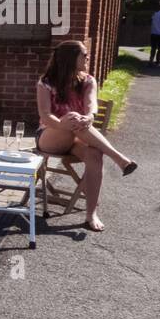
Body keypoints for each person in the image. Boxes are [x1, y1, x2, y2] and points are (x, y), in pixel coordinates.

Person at [35, 40, 137, 232]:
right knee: (73, 118)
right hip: (51, 136)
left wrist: (89, 117)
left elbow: (92, 105)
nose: (88, 57)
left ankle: (91, 215)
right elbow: (45, 116)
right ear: (70, 58)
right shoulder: (46, 82)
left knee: (95, 155)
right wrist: (62, 124)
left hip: (77, 137)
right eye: (84, 54)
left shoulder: (88, 80)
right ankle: (119, 158)